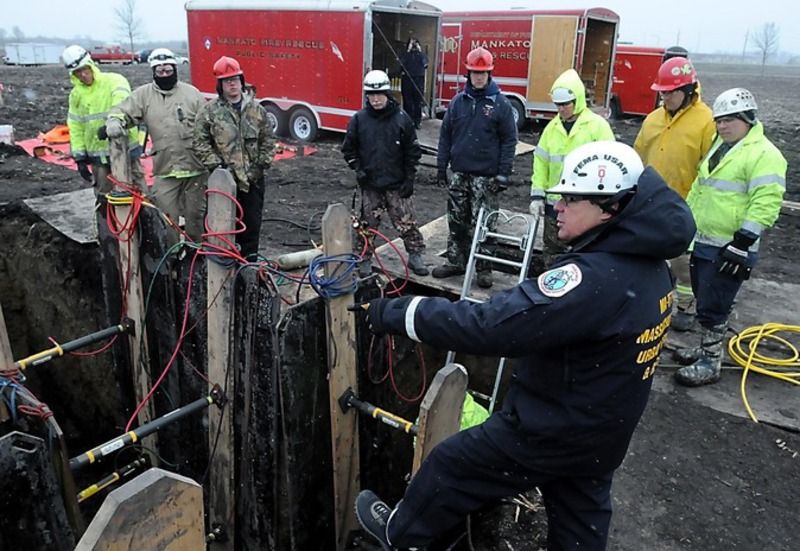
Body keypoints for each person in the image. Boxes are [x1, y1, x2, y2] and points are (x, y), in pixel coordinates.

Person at [354, 141, 696, 551]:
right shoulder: (650, 265)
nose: (558, 207)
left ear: (611, 207)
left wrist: (396, 313)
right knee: (580, 521)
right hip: (603, 432)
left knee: (452, 466)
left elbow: (492, 326)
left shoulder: (592, 279)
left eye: (571, 199)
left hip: (551, 429)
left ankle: (399, 534)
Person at [674, 88, 786, 387]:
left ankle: (711, 362)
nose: (722, 126)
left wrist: (743, 242)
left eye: (729, 120)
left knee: (716, 303)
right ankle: (706, 348)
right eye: (719, 120)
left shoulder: (764, 155)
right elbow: (701, 189)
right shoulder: (720, 147)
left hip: (730, 247)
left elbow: (766, 201)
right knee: (704, 298)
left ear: (748, 119)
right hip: (703, 240)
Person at [634, 57, 715, 331]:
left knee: (683, 263)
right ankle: (649, 301)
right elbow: (638, 155)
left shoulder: (706, 122)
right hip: (650, 203)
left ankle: (685, 307)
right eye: (662, 92)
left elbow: (711, 168)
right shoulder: (653, 119)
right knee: (648, 254)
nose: (665, 97)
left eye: (670, 92)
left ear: (688, 90)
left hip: (685, 204)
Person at [432, 47, 517, 289]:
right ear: (468, 74)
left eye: (483, 73)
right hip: (460, 174)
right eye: (474, 73)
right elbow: (445, 136)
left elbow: (509, 141)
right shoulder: (457, 103)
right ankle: (456, 261)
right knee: (456, 220)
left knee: (484, 224)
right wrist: (441, 167)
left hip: (486, 177)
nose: (478, 77)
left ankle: (484, 267)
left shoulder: (500, 104)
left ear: (489, 74)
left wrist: (503, 173)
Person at [107, 48, 208, 242]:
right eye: (160, 71)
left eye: (168, 70)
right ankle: (171, 254)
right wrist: (115, 121)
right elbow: (123, 111)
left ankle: (195, 252)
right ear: (153, 72)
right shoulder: (143, 95)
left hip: (195, 169)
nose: (165, 74)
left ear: (175, 69)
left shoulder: (192, 94)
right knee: (166, 218)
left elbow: (208, 125)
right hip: (165, 169)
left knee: (195, 217)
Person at [342, 70, 428, 277]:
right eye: (371, 95)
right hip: (371, 184)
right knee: (367, 225)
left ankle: (415, 255)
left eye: (379, 94)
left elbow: (413, 151)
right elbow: (348, 149)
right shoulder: (359, 120)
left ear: (387, 94)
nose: (376, 99)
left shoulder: (402, 119)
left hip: (397, 184)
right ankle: (364, 257)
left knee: (407, 222)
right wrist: (358, 169)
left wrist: (410, 178)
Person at [530, 68, 615, 268]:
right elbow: (540, 164)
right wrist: (537, 196)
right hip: (555, 206)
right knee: (553, 252)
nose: (561, 109)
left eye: (565, 104)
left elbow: (610, 166)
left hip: (586, 206)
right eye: (558, 105)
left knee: (585, 252)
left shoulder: (597, 127)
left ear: (577, 100)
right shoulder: (551, 129)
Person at [193, 56, 275, 259]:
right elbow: (200, 142)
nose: (232, 84)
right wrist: (217, 167)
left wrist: (260, 165)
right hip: (222, 182)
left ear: (242, 81)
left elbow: (268, 140)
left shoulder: (257, 110)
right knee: (220, 226)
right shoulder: (209, 112)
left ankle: (248, 266)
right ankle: (222, 264)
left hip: (253, 181)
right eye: (227, 81)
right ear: (220, 85)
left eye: (235, 79)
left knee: (251, 227)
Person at [61, 45, 144, 197]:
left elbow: (122, 103)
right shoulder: (76, 95)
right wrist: (79, 157)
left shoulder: (114, 81)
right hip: (98, 156)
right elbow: (76, 125)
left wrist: (112, 123)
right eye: (78, 72)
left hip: (125, 150)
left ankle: (141, 214)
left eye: (85, 69)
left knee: (137, 194)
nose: (83, 75)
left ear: (91, 65)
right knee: (104, 198)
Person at [397, 38, 428, 129]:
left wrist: (420, 50)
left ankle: (417, 121)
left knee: (418, 102)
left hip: (418, 80)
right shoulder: (405, 54)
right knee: (407, 102)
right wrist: (408, 50)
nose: (414, 46)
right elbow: (401, 63)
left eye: (415, 43)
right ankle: (408, 121)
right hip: (407, 80)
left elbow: (425, 63)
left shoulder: (421, 55)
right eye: (412, 43)